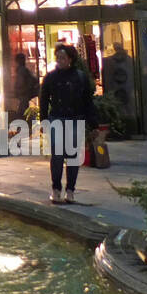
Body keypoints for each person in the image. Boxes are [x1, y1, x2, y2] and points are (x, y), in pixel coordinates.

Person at [39, 43, 97, 204]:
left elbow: (87, 101)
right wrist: (43, 121)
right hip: (56, 119)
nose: (60, 60)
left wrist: (93, 124)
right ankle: (56, 189)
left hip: (75, 119)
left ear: (70, 59)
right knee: (57, 156)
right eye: (58, 57)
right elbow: (43, 100)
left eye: (63, 57)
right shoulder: (50, 77)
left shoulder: (79, 77)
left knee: (72, 157)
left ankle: (70, 190)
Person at [10, 53, 39, 122]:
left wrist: (19, 90)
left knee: (22, 111)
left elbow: (21, 83)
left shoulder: (21, 70)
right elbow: (33, 80)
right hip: (25, 93)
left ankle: (24, 123)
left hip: (24, 93)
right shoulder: (24, 70)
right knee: (23, 110)